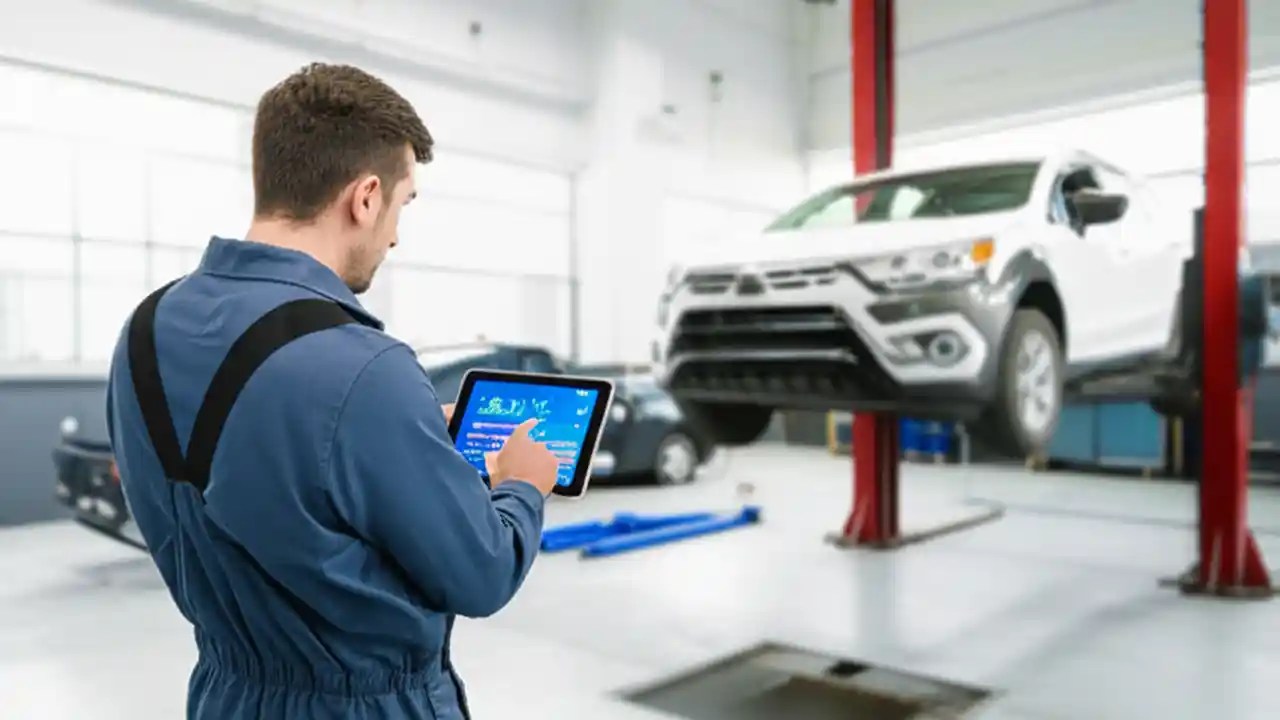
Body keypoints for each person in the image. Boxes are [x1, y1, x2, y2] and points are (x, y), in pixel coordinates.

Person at [105, 62, 561, 719]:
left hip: (223, 696)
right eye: (403, 205)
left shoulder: (144, 330)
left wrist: (400, 431)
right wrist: (522, 484)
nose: (397, 234)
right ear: (366, 196)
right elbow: (481, 573)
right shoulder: (365, 368)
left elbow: (265, 461)